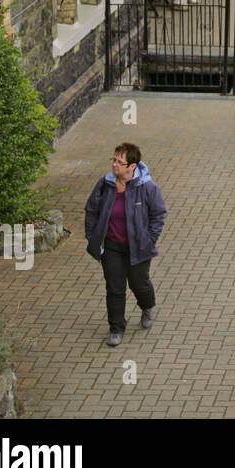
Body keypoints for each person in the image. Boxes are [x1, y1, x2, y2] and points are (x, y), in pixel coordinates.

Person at [85, 142, 166, 346]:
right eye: (113, 160)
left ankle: (147, 306)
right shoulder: (105, 184)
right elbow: (91, 210)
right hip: (112, 246)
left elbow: (158, 215)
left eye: (120, 162)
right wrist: (92, 236)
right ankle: (116, 328)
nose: (114, 165)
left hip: (138, 247)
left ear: (132, 166)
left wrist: (149, 239)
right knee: (114, 287)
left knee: (139, 283)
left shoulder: (148, 187)